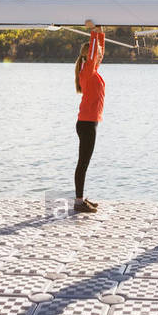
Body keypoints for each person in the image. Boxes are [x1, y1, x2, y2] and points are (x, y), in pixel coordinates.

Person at [72, 22, 105, 214]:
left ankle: (80, 198)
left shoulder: (91, 70)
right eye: (96, 54)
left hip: (89, 123)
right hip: (86, 124)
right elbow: (95, 52)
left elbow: (98, 52)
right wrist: (93, 32)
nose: (100, 56)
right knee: (83, 162)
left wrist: (100, 33)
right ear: (88, 55)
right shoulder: (88, 70)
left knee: (84, 162)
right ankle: (78, 202)